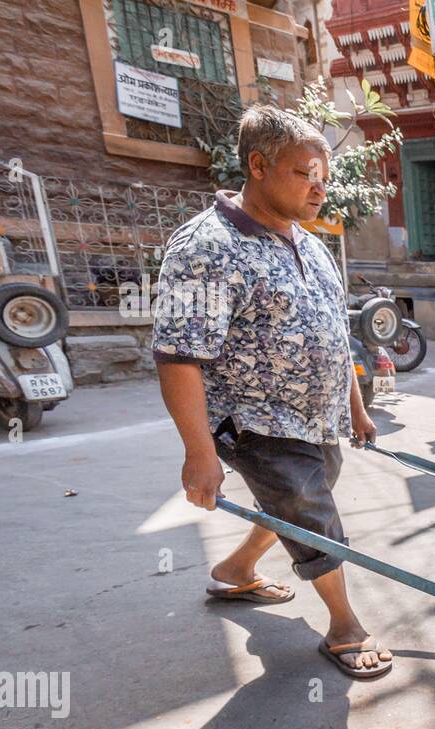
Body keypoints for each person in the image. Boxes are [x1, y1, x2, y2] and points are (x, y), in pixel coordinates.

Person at [152, 105, 393, 680]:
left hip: (317, 417)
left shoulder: (308, 243)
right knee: (311, 514)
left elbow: (336, 333)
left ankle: (236, 570)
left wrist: (355, 408)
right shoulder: (206, 247)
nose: (318, 188)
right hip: (255, 421)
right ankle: (343, 626)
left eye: (324, 178)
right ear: (258, 165)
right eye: (305, 174)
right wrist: (199, 452)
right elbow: (179, 356)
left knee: (293, 502)